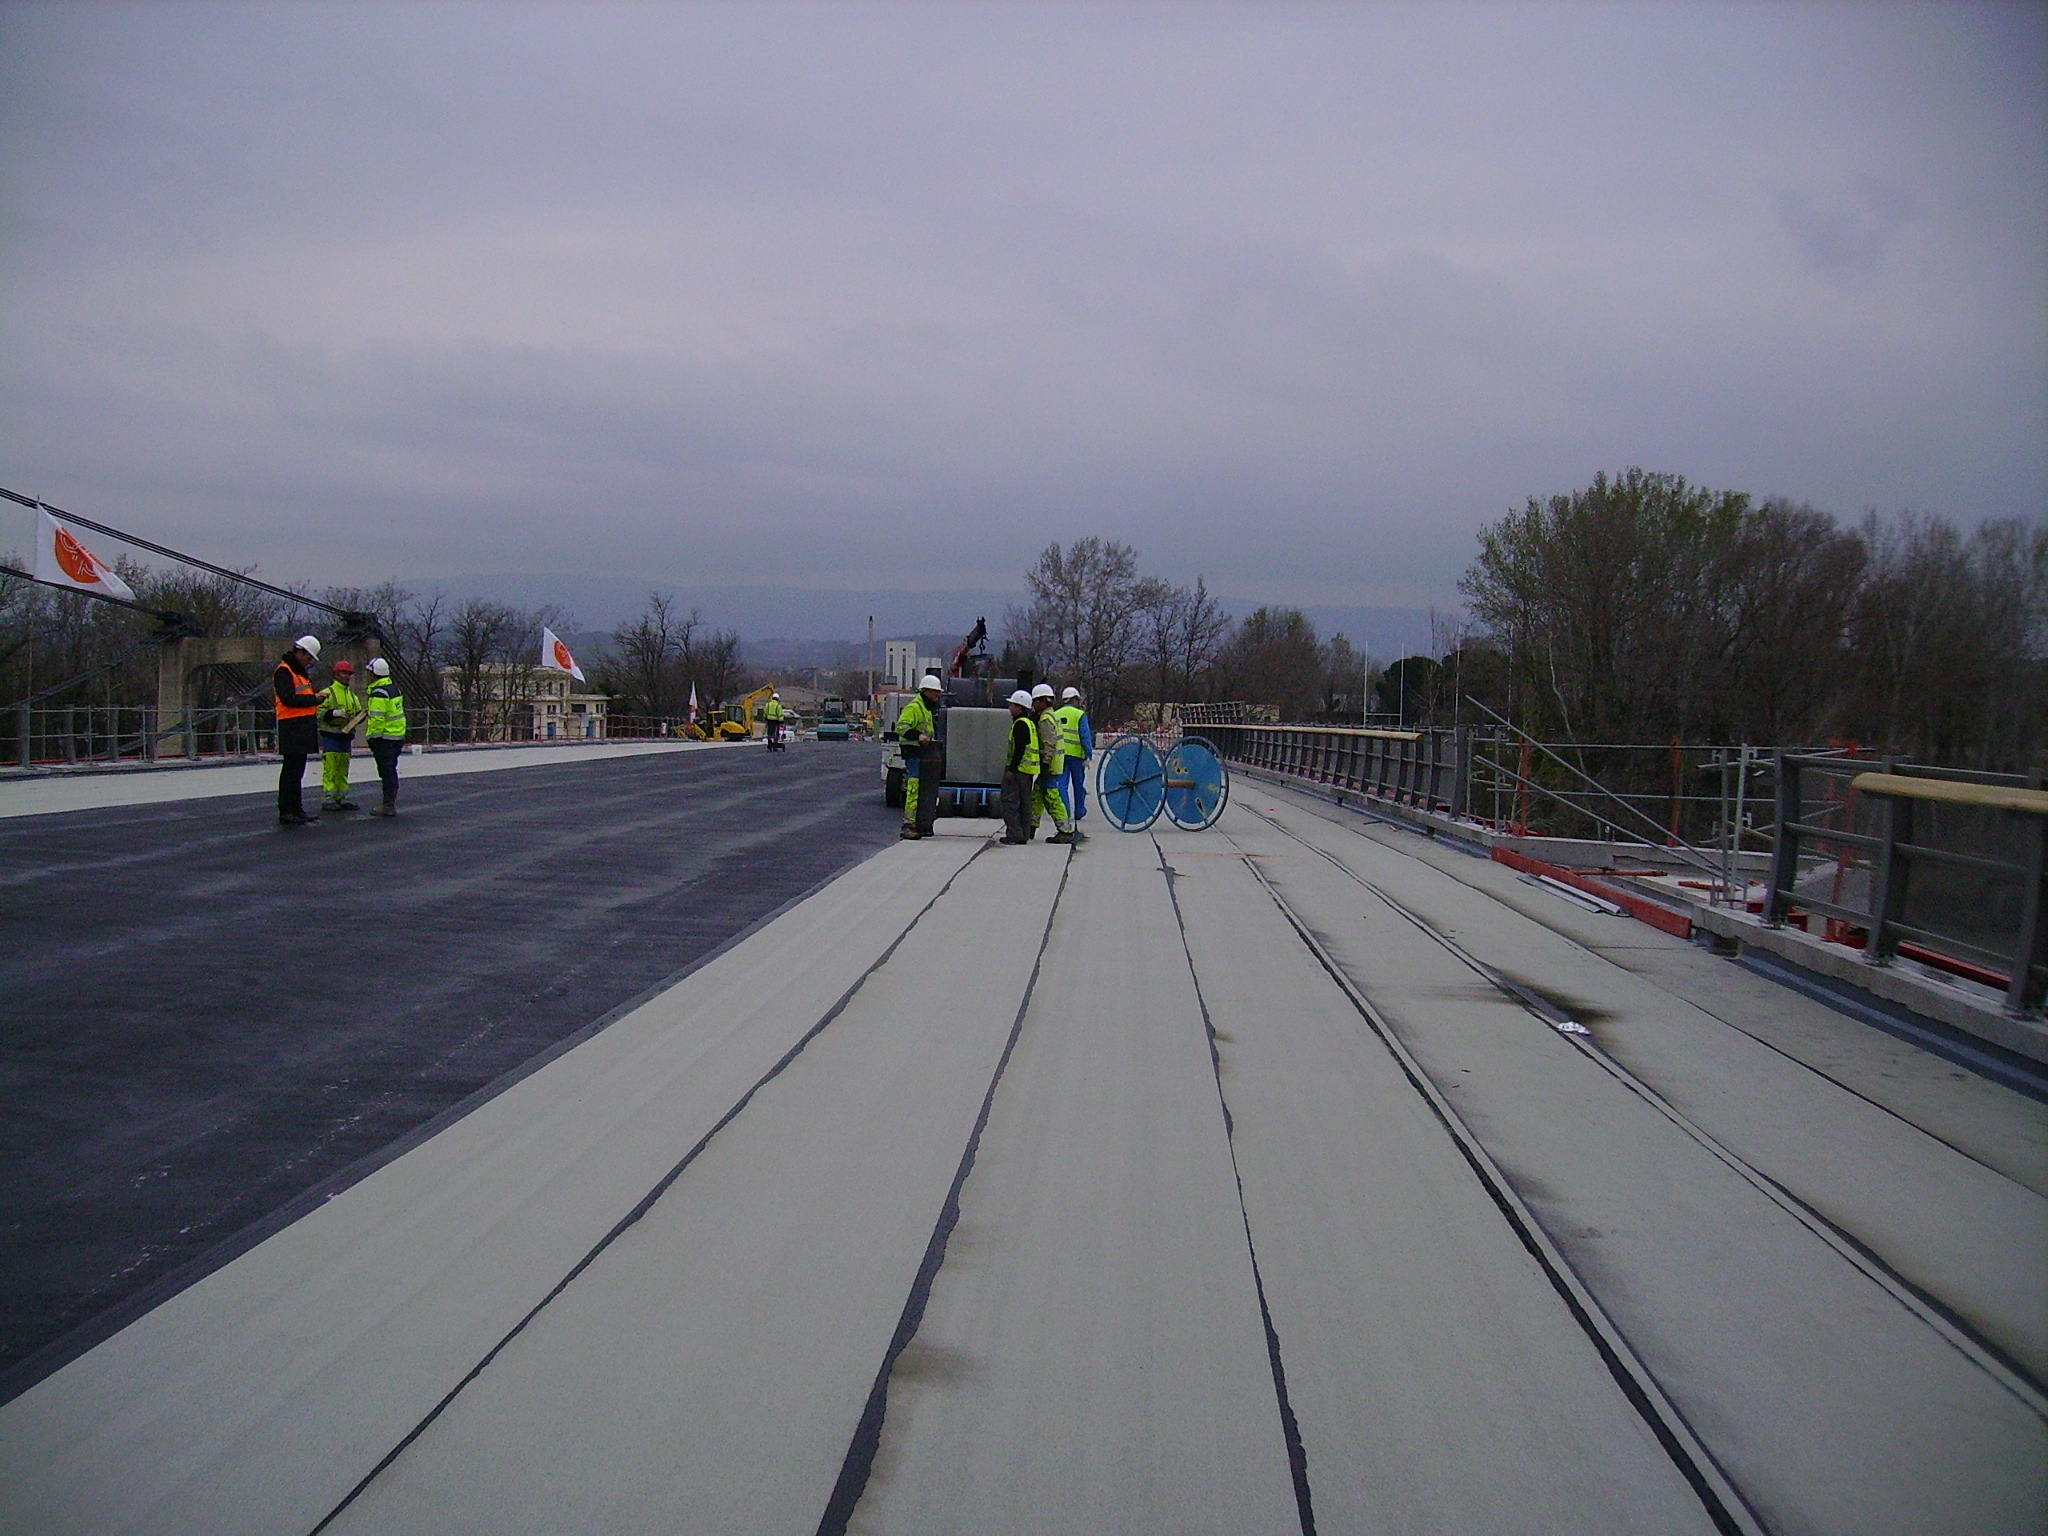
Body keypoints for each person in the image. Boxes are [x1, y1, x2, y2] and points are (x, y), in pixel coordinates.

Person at [273, 635, 323, 826]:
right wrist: (314, 699)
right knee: (291, 771)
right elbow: (288, 699)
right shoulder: (284, 671)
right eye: (308, 657)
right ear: (300, 653)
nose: (309, 661)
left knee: (297, 771)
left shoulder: (298, 672)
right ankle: (287, 810)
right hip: (291, 725)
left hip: (301, 725)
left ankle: (296, 808)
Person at [895, 674, 944, 839]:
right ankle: (908, 825)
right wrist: (918, 736)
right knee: (914, 787)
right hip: (914, 752)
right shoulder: (915, 707)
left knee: (922, 789)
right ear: (926, 691)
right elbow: (901, 727)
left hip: (923, 754)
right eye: (935, 692)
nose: (938, 696)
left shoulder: (926, 709)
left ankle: (919, 823)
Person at [1031, 683, 1077, 845]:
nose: (1033, 705)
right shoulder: (1052, 715)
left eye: (1035, 701)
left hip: (1050, 765)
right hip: (1055, 764)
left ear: (1042, 701)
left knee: (1052, 797)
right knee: (1037, 794)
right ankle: (1031, 824)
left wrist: (1045, 764)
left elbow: (1049, 744)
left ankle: (1065, 830)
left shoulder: (1045, 719)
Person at [317, 660, 366, 812]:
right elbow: (318, 713)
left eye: (348, 673)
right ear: (336, 674)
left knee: (343, 768)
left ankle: (340, 796)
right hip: (331, 736)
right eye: (344, 673)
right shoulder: (328, 693)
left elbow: (358, 712)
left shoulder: (352, 696)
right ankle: (329, 798)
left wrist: (360, 717)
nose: (346, 676)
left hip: (345, 737)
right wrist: (332, 713)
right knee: (331, 768)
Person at [363, 657, 407, 817]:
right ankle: (389, 803)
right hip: (397, 736)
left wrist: (372, 739)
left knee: (386, 771)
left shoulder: (379, 693)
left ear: (374, 674)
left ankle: (388, 805)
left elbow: (377, 719)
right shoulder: (394, 689)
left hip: (384, 739)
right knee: (390, 769)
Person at [999, 689, 1039, 844]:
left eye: (1012, 705)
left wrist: (1011, 769)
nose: (1010, 708)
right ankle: (1023, 834)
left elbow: (1019, 749)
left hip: (1019, 770)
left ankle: (1014, 834)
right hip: (1027, 771)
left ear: (1020, 707)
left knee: (1010, 802)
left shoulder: (1020, 724)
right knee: (1024, 803)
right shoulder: (1029, 723)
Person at [1055, 686, 1093, 821]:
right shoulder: (1080, 715)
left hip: (1060, 755)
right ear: (1075, 699)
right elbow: (1085, 736)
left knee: (1062, 785)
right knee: (1078, 785)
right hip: (1077, 756)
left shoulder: (1056, 714)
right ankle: (1079, 811)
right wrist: (1089, 754)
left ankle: (1065, 812)